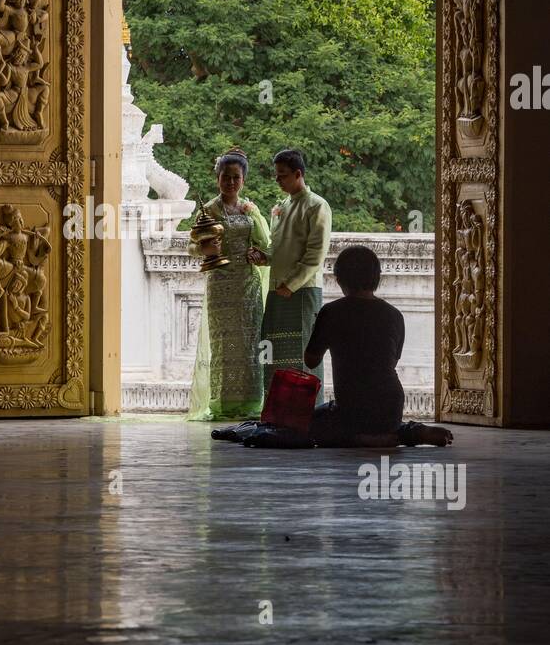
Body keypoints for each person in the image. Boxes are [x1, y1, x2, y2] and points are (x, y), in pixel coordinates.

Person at [304, 244, 452, 447]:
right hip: (391, 406)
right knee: (381, 424)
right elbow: (391, 360)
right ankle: (409, 432)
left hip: (351, 409)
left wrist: (320, 329)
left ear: (339, 279)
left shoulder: (331, 312)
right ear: (377, 279)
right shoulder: (394, 314)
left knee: (305, 426)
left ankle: (362, 439)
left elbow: (311, 361)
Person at [188, 147, 270, 420]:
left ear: (243, 179)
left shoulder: (250, 209)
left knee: (249, 343)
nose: (231, 182)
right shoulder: (209, 209)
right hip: (221, 284)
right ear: (218, 178)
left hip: (247, 283)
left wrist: (256, 254)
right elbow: (192, 247)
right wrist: (206, 250)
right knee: (225, 344)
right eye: (226, 177)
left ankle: (250, 403)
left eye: (236, 177)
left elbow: (264, 243)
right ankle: (223, 404)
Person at [252, 148, 331, 404]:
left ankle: (309, 411)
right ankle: (279, 409)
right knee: (275, 353)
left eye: (282, 176)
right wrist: (263, 257)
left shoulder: (317, 206)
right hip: (278, 289)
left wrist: (292, 284)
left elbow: (315, 255)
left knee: (304, 352)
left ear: (298, 174)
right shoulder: (281, 207)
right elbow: (277, 249)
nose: (278, 180)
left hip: (303, 290)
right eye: (276, 176)